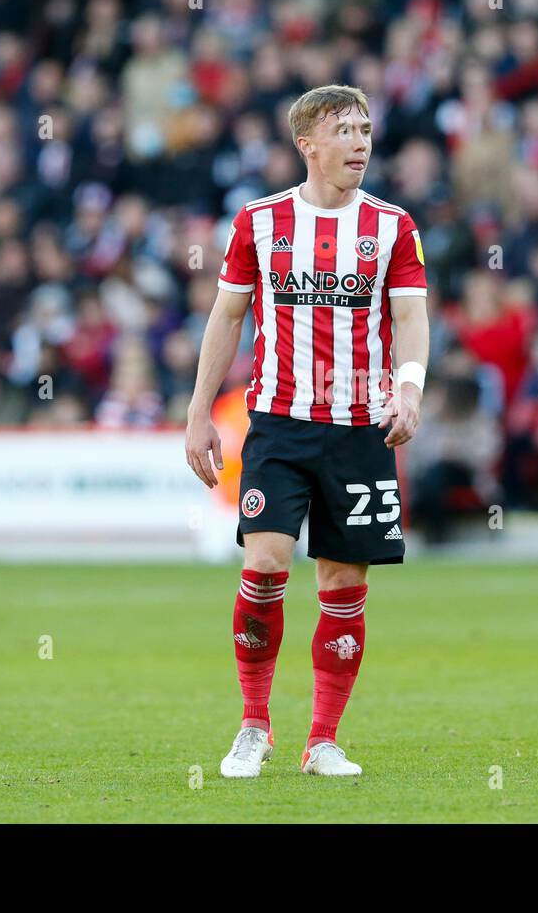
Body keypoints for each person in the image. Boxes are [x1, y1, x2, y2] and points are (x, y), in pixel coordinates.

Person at [184, 85, 429, 778]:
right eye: (345, 130)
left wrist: (408, 390)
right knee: (264, 561)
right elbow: (227, 317)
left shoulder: (393, 227)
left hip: (359, 431)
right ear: (308, 145)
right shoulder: (260, 222)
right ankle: (253, 725)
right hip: (280, 425)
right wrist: (201, 411)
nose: (360, 142)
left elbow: (411, 320)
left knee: (343, 579)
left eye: (366, 129)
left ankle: (321, 740)